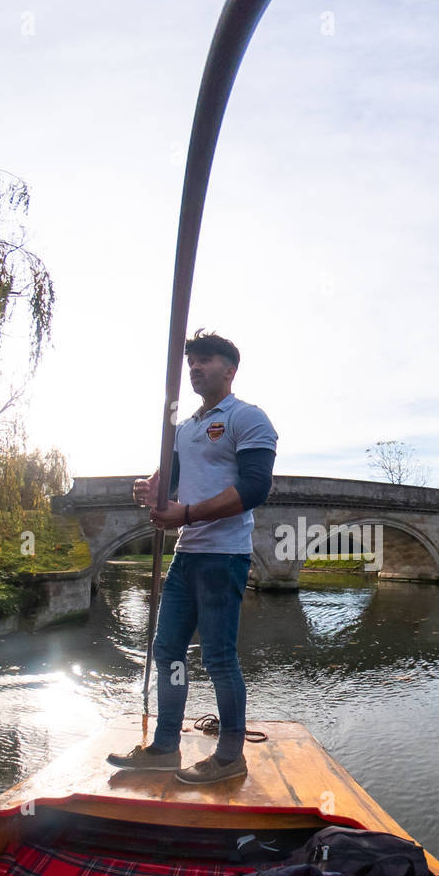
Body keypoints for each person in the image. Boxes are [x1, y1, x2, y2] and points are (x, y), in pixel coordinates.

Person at [107, 328, 276, 786]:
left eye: (205, 360)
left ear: (230, 368)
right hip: (187, 558)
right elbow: (168, 482)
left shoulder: (248, 418)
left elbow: (255, 488)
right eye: (191, 363)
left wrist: (188, 514)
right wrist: (149, 488)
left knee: (220, 658)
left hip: (224, 557)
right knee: (169, 652)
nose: (196, 368)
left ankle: (229, 755)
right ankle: (165, 746)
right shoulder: (185, 429)